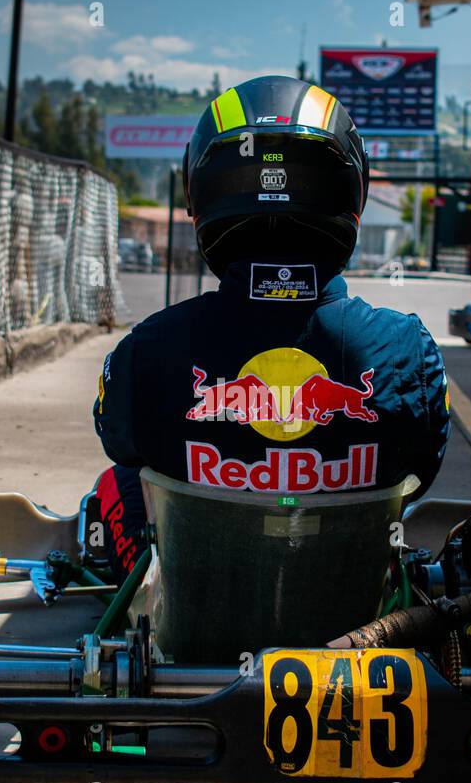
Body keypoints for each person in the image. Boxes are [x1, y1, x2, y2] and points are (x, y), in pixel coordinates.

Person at [91, 75, 450, 579]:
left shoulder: (148, 350)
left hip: (198, 612)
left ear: (202, 195)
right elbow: (423, 468)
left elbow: (121, 444)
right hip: (353, 606)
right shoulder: (408, 350)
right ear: (352, 193)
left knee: (118, 483)